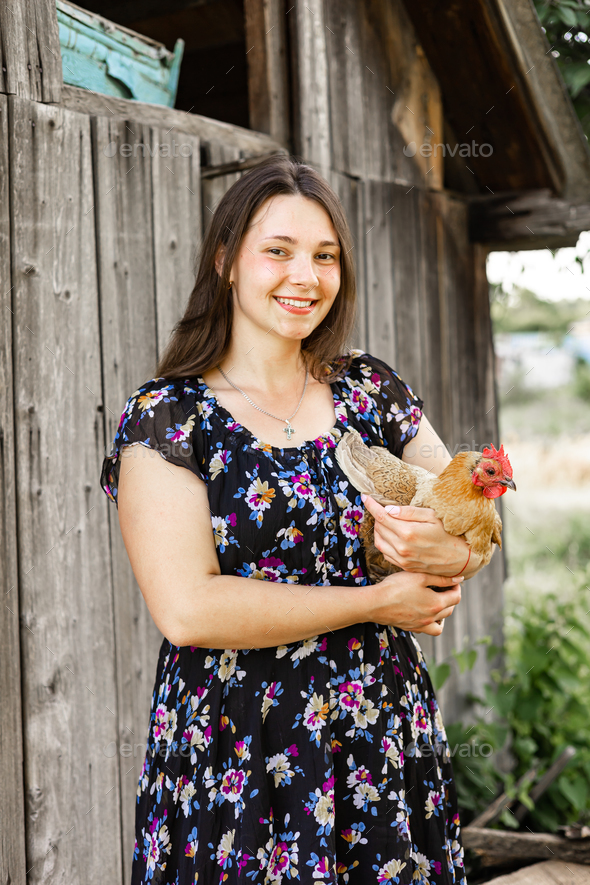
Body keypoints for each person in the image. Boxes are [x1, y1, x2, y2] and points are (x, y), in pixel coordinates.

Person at [100, 155, 478, 884]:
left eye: (325, 256)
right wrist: (377, 601)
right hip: (238, 748)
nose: (305, 276)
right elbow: (187, 608)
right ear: (226, 261)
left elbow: (466, 519)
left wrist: (448, 554)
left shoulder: (371, 388)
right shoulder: (169, 418)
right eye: (278, 250)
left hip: (378, 733)